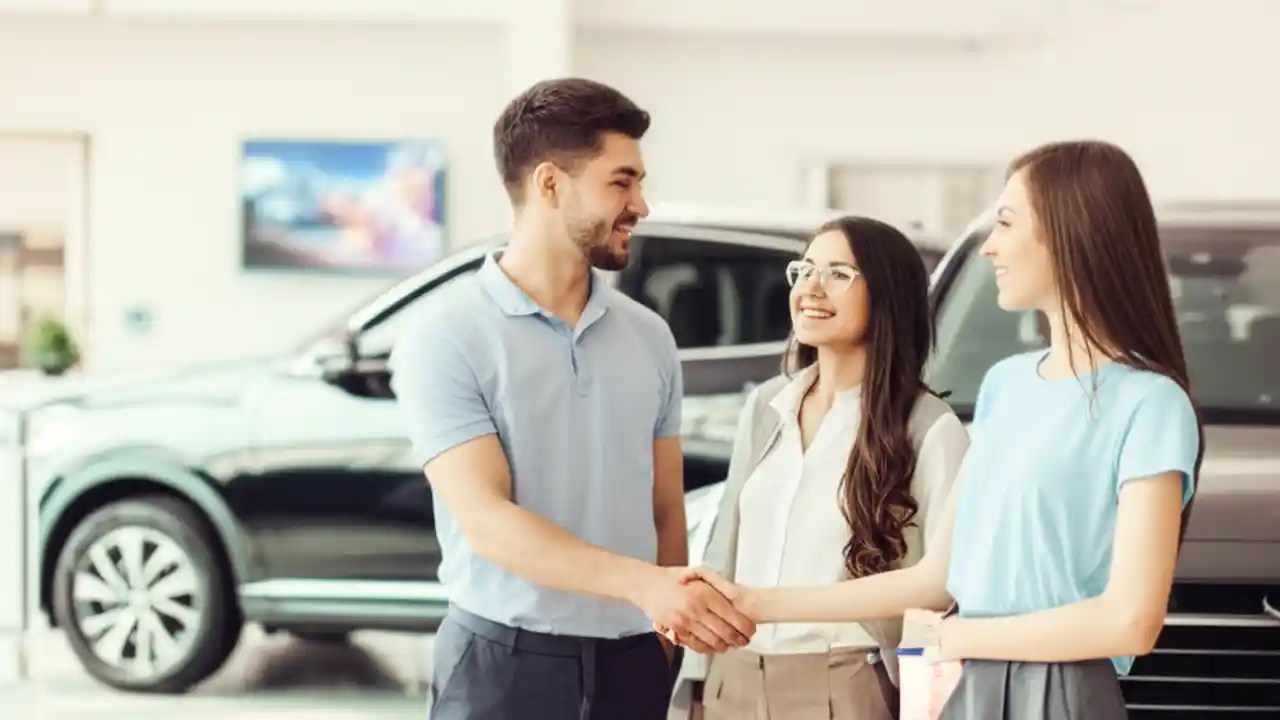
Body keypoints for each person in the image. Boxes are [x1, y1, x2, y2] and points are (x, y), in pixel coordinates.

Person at [681, 140, 1203, 719]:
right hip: (968, 689)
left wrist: (954, 640)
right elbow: (936, 576)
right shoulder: (1007, 386)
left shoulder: (1151, 405)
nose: (990, 247)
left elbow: (1129, 622)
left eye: (1005, 222)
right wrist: (756, 602)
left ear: (1068, 231)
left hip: (1061, 692)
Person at [389, 77, 754, 720]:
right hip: (502, 672)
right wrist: (647, 586)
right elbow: (488, 521)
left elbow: (665, 509)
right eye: (622, 181)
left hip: (635, 663)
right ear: (550, 184)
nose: (641, 204)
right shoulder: (445, 335)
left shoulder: (649, 336)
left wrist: (664, 644)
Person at [669, 216, 970, 719]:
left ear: (888, 295)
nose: (811, 287)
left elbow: (943, 587)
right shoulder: (767, 405)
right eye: (804, 270)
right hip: (733, 679)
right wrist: (697, 685)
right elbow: (727, 551)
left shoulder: (930, 429)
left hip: (844, 683)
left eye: (837, 273)